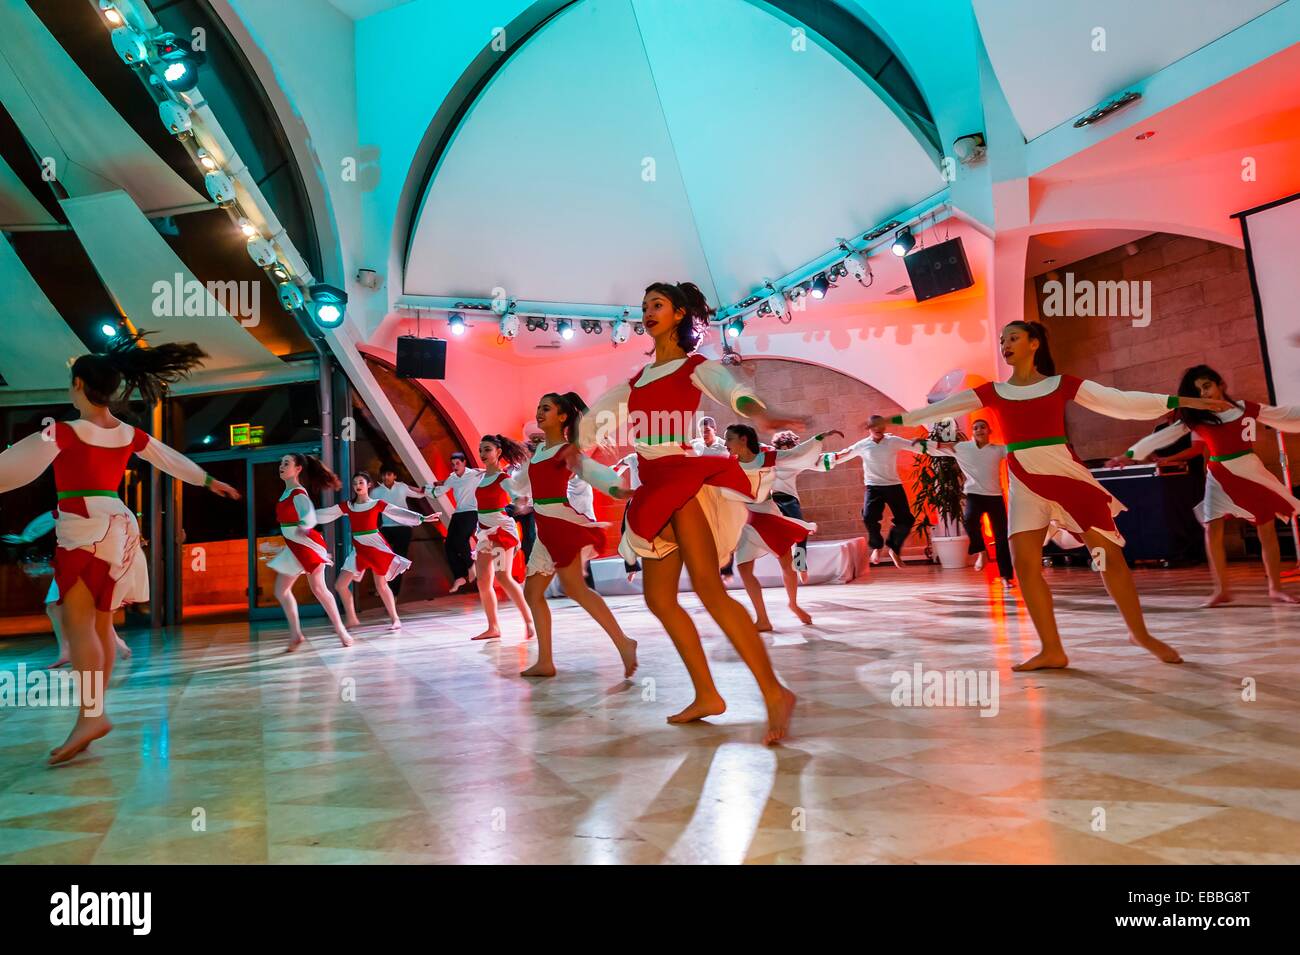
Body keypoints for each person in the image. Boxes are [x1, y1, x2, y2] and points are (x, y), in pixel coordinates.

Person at [888, 320, 1230, 671]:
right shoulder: (992, 392)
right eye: (1003, 340)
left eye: (1014, 338)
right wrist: (896, 419)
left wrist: (1183, 400)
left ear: (1034, 344)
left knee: (1108, 556)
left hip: (1066, 475)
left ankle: (1139, 633)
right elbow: (940, 408)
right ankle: (1052, 649)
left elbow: (1119, 402)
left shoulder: (1059, 384)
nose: (1006, 344)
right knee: (1024, 564)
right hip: (1024, 480)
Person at [572, 281, 802, 744]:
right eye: (643, 307)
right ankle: (707, 695)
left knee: (709, 590)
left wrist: (764, 414)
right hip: (652, 487)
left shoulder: (695, 366)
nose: (647, 312)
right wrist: (573, 448)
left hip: (684, 480)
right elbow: (593, 423)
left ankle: (775, 692)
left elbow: (732, 389)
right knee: (658, 598)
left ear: (678, 314)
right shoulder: (634, 383)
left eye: (656, 305)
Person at [0, 331, 240, 764]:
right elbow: (171, 459)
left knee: (79, 627)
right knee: (101, 623)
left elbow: (12, 470)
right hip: (120, 525)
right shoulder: (127, 432)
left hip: (84, 527)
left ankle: (92, 715)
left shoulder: (67, 431)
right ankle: (92, 714)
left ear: (78, 385)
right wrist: (207, 480)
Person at [1107, 364, 1300, 606]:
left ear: (1221, 384)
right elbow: (1164, 436)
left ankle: (1275, 588)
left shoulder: (1246, 408)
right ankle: (1221, 590)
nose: (1204, 394)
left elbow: (1283, 414)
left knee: (1266, 528)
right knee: (1212, 529)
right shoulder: (1197, 419)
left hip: (1250, 472)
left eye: (1207, 386)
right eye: (1198, 391)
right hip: (1218, 476)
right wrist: (1130, 454)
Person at [509, 393, 637, 678]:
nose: (539, 413)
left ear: (563, 417)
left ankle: (624, 642)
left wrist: (617, 489)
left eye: (546, 408)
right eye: (538, 407)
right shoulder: (539, 452)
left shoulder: (566, 450)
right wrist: (503, 484)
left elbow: (591, 472)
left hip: (561, 522)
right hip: (545, 527)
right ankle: (545, 661)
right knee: (533, 592)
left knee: (576, 589)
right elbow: (520, 486)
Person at [724, 424, 839, 630]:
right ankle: (762, 619)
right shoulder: (728, 464)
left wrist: (819, 438)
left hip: (769, 514)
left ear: (743, 439)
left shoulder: (767, 458)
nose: (725, 444)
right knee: (744, 567)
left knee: (788, 559)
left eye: (729, 439)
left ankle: (794, 601)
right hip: (746, 519)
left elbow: (796, 454)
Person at [2, 511, 132, 666]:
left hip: (84, 560)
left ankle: (115, 643)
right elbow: (49, 518)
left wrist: (27, 536)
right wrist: (27, 536)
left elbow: (49, 518)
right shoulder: (71, 506)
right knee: (54, 606)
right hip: (70, 560)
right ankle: (66, 651)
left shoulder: (88, 506)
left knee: (88, 608)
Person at [316, 472, 438, 630]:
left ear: (369, 485)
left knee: (381, 585)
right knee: (340, 585)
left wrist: (422, 518)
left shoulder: (377, 503)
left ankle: (395, 619)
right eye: (355, 483)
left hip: (375, 546)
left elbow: (397, 512)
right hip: (359, 549)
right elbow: (328, 512)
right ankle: (352, 619)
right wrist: (306, 515)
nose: (357, 486)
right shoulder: (349, 505)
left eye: (360, 482)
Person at [267, 453, 355, 652]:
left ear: (298, 469)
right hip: (294, 546)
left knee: (319, 589)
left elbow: (309, 517)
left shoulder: (298, 493)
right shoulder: (285, 493)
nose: (281, 466)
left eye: (286, 463)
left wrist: (303, 527)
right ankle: (296, 634)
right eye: (281, 462)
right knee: (281, 590)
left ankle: (342, 631)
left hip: (306, 545)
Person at [922, 418, 1014, 586]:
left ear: (989, 430)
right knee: (970, 521)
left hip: (995, 497)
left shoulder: (998, 449)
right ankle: (981, 551)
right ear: (972, 432)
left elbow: (1017, 451)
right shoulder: (962, 448)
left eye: (983, 427)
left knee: (1001, 537)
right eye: (976, 428)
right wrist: (919, 444)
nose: (979, 430)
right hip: (974, 494)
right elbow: (938, 447)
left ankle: (1005, 577)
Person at [831, 414, 928, 567]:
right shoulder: (863, 445)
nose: (879, 429)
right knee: (869, 516)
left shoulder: (893, 441)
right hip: (873, 486)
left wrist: (925, 443)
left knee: (907, 519)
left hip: (893, 485)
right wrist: (820, 459)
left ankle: (894, 548)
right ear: (869, 428)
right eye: (875, 426)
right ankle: (877, 546)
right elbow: (843, 455)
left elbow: (914, 446)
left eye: (881, 426)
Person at [469, 434, 535, 641]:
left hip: (500, 531)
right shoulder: (481, 478)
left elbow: (518, 498)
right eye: (481, 450)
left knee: (503, 576)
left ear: (498, 452)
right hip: (484, 532)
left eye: (487, 449)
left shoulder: (503, 478)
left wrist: (520, 504)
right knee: (482, 580)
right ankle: (493, 627)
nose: (482, 454)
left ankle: (529, 621)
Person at [769, 430, 834, 582]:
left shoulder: (796, 462)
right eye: (782, 448)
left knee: (801, 532)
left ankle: (800, 564)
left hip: (790, 499)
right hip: (773, 499)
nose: (785, 452)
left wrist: (835, 457)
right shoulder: (773, 458)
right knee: (780, 534)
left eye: (788, 448)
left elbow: (813, 461)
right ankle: (790, 562)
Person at [428, 451, 483, 593]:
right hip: (458, 513)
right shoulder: (452, 478)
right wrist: (423, 489)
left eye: (457, 463)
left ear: (464, 462)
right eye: (452, 464)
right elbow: (438, 492)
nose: (455, 466)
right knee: (448, 545)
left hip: (472, 512)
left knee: (460, 541)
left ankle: (471, 567)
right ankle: (459, 576)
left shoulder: (475, 474)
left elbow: (493, 472)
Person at [370, 466, 430, 597]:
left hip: (403, 528)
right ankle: (382, 585)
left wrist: (427, 488)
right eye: (384, 475)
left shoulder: (402, 487)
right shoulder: (376, 492)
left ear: (394, 476)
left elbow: (420, 495)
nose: (386, 477)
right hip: (386, 528)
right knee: (380, 557)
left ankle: (394, 593)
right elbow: (369, 509)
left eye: (389, 474)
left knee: (399, 560)